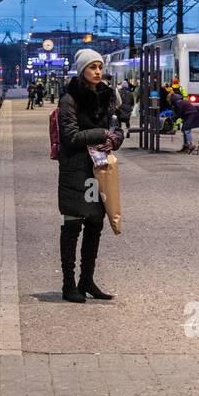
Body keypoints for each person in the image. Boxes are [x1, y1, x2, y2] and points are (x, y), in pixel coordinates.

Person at [57, 50, 119, 303]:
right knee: (73, 225)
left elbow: (116, 129)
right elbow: (70, 137)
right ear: (81, 69)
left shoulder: (105, 96)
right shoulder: (69, 100)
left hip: (97, 170)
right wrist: (103, 132)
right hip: (75, 170)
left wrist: (115, 137)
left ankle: (87, 280)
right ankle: (68, 284)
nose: (98, 72)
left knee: (95, 223)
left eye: (100, 67)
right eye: (92, 67)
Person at [172, 86, 199, 154]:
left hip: (191, 115)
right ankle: (186, 146)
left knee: (186, 129)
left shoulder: (178, 103)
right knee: (184, 129)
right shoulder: (181, 102)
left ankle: (191, 146)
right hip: (190, 114)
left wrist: (172, 119)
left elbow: (179, 114)